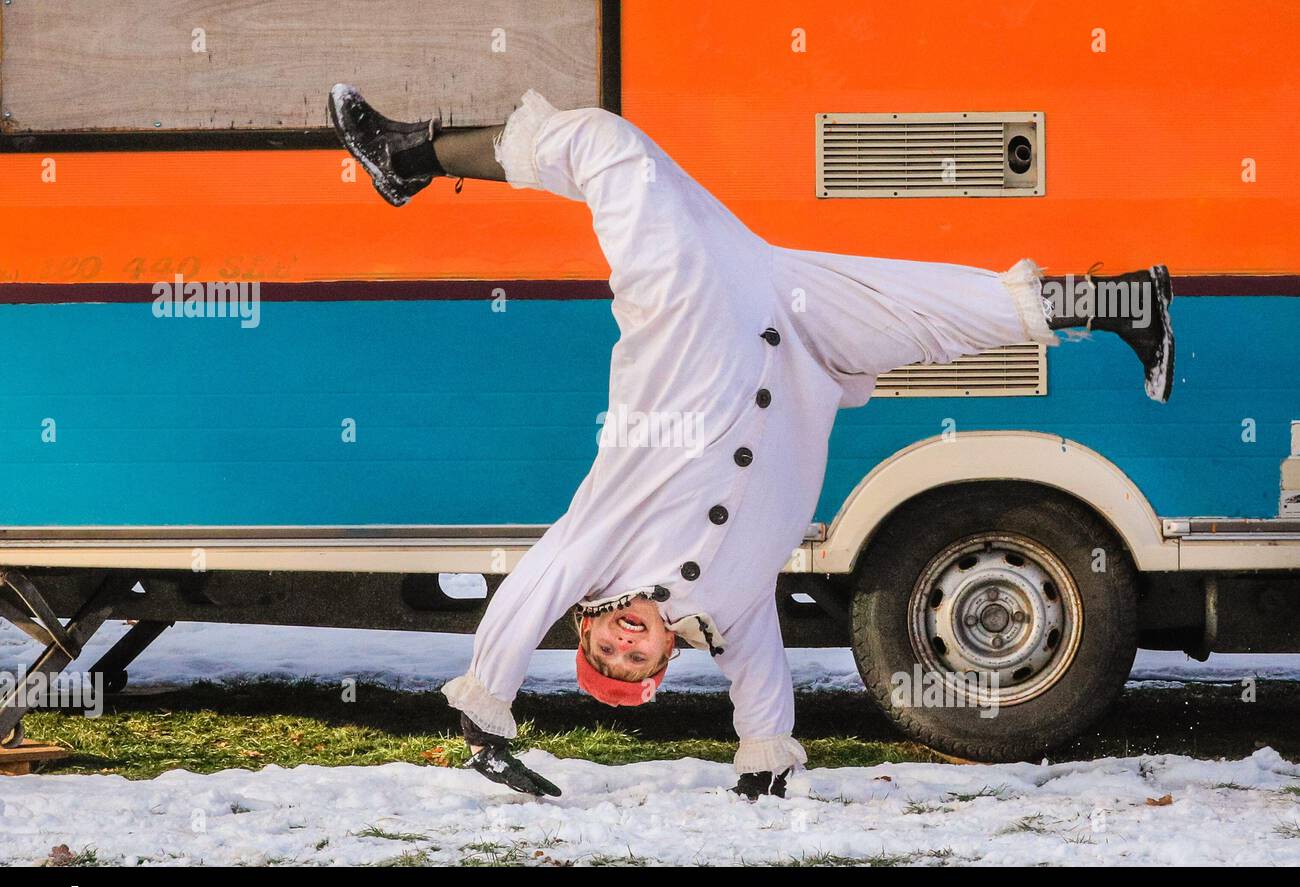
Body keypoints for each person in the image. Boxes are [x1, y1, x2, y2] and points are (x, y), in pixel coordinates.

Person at [328, 85, 1174, 800]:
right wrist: (762, 756)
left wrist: (486, 713)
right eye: (635, 660)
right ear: (664, 655)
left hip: (689, 322)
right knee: (931, 315)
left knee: (607, 144)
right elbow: (760, 676)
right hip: (794, 327)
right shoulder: (726, 612)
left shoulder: (595, 556)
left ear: (587, 623)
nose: (625, 642)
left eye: (604, 649)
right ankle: (1125, 304)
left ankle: (410, 157)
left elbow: (523, 599)